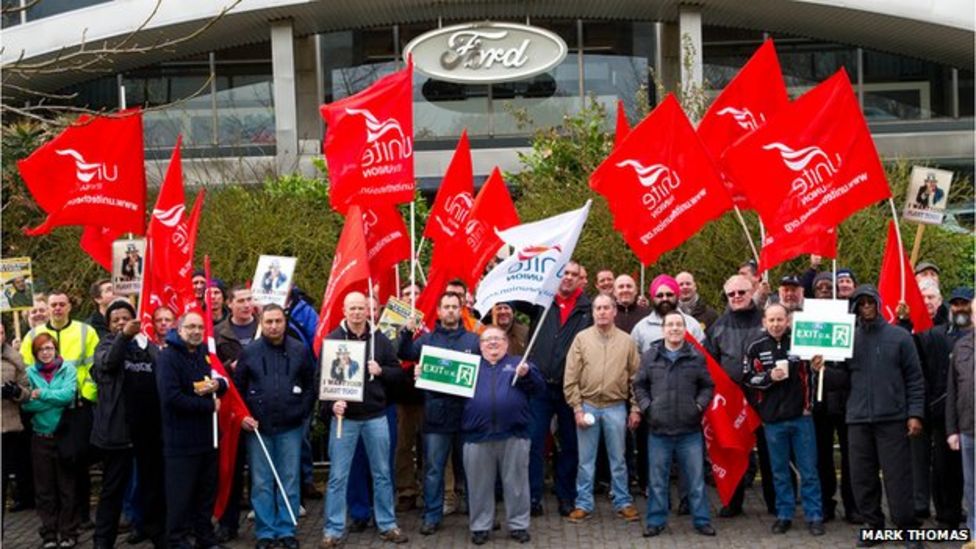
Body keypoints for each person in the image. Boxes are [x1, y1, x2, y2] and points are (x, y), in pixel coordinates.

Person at [320, 292, 409, 547]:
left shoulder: (379, 340)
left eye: (361, 308)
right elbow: (321, 381)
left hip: (376, 417)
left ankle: (388, 524)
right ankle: (333, 529)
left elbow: (398, 375)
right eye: (353, 308)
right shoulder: (333, 340)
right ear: (344, 311)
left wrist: (381, 371)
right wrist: (330, 404)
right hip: (344, 420)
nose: (357, 313)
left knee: (382, 473)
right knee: (338, 476)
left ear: (368, 311)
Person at [840, 285, 925, 548]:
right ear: (854, 308)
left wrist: (915, 414)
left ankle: (907, 528)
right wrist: (819, 367)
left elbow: (915, 379)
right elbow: (840, 380)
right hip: (858, 420)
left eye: (869, 302)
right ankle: (873, 525)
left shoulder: (899, 337)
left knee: (898, 477)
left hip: (893, 418)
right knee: (862, 477)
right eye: (860, 303)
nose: (866, 307)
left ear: (878, 304)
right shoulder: (848, 338)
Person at [398, 291, 480, 535]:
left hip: (466, 415)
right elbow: (404, 354)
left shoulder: (473, 341)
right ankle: (432, 516)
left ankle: (479, 516)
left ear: (461, 309)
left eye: (455, 306)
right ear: (439, 311)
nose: (451, 311)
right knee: (434, 469)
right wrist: (405, 331)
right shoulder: (426, 341)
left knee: (472, 468)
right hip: (435, 416)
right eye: (446, 306)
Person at [743, 303, 827, 536]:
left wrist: (816, 368)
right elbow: (748, 379)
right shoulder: (755, 347)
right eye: (771, 320)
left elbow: (814, 373)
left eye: (780, 319)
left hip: (802, 418)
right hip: (772, 421)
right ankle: (784, 515)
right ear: (764, 322)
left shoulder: (802, 341)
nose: (776, 324)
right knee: (779, 472)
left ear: (787, 321)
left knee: (809, 470)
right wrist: (769, 376)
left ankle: (814, 516)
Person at [235, 304, 315, 549]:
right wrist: (244, 416)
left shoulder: (300, 350)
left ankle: (286, 529)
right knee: (261, 482)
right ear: (261, 321)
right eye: (268, 321)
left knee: (289, 479)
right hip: (259, 429)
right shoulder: (249, 352)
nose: (273, 326)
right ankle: (265, 533)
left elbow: (311, 386)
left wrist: (301, 411)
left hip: (290, 427)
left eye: (278, 321)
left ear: (285, 321)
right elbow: (238, 388)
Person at [20, 290, 100, 530]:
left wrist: (86, 394)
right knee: (50, 474)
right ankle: (57, 523)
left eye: (61, 304)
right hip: (45, 412)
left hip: (79, 405)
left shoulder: (86, 331)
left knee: (79, 462)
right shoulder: (33, 335)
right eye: (53, 304)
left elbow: (96, 367)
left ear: (69, 307)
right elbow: (26, 376)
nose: (56, 308)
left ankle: (82, 516)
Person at [90, 300, 165, 549]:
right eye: (116, 320)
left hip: (148, 433)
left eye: (126, 318)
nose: (121, 322)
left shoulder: (146, 347)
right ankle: (103, 542)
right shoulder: (106, 345)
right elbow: (109, 363)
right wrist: (123, 337)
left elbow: (162, 373)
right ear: (110, 325)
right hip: (117, 433)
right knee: (113, 491)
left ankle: (157, 534)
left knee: (152, 489)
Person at [633, 311, 715, 538]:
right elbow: (639, 384)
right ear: (663, 329)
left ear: (684, 329)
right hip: (659, 430)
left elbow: (708, 386)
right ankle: (656, 521)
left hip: (689, 430)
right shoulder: (650, 356)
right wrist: (648, 407)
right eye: (670, 325)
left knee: (696, 481)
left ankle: (701, 521)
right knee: (657, 481)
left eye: (679, 325)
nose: (675, 329)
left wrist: (698, 406)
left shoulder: (696, 356)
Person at [562, 294, 640, 523]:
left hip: (616, 407)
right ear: (593, 312)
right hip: (588, 405)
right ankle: (584, 503)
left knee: (618, 459)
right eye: (598, 308)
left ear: (614, 311)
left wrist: (635, 408)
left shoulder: (627, 341)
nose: (602, 312)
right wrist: (576, 407)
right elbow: (571, 376)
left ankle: (623, 501)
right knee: (586, 460)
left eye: (607, 308)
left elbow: (636, 378)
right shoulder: (581, 339)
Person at [462, 325, 543, 545]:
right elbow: (441, 388)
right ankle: (480, 526)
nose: (493, 343)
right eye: (487, 340)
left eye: (498, 339)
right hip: (477, 437)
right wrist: (424, 374)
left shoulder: (518, 363)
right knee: (479, 485)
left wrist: (527, 375)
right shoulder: (469, 366)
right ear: (480, 346)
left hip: (514, 435)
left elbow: (539, 388)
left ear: (506, 343)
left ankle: (518, 525)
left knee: (516, 485)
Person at [156, 311, 228, 549]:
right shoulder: (168, 357)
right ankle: (176, 541)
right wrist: (207, 406)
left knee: (205, 495)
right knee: (180, 497)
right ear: (179, 329)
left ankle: (205, 538)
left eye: (200, 327)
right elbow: (171, 397)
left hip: (208, 440)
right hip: (181, 442)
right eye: (191, 327)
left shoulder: (204, 354)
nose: (196, 332)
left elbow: (220, 380)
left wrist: (220, 385)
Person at [527, 259, 592, 517]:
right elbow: (511, 300)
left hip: (571, 387)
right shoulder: (540, 302)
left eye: (573, 274)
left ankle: (566, 496)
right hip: (540, 386)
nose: (568, 277)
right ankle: (533, 496)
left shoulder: (588, 308)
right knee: (534, 443)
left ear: (580, 279)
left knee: (571, 445)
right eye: (564, 273)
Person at [705, 274, 766, 517]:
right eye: (732, 294)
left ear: (752, 291)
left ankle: (776, 502)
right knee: (734, 451)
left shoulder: (766, 319)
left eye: (742, 292)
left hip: (764, 395)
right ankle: (733, 501)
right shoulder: (718, 326)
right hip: (732, 399)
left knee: (769, 451)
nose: (737, 297)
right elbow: (710, 364)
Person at [911, 287, 971, 529]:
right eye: (956, 304)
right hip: (943, 414)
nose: (960, 309)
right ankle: (947, 517)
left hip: (970, 413)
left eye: (965, 304)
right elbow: (914, 351)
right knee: (945, 470)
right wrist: (906, 320)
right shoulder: (935, 335)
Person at [21, 333, 79, 548]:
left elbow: (68, 396)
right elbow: (27, 405)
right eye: (41, 350)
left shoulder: (68, 369)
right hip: (40, 437)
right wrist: (53, 398)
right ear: (35, 353)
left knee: (67, 487)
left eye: (49, 348)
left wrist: (42, 395)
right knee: (44, 490)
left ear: (55, 349)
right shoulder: (28, 373)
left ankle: (68, 532)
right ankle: (49, 533)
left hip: (64, 436)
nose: (46, 353)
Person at [214, 284, 257, 542]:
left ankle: (266, 521)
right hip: (231, 410)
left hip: (260, 407)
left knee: (260, 471)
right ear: (229, 303)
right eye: (240, 300)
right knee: (230, 467)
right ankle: (228, 524)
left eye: (249, 299)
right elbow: (213, 369)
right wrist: (233, 366)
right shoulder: (218, 334)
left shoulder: (267, 326)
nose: (246, 304)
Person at [945, 289, 975, 542]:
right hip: (967, 430)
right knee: (971, 488)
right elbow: (953, 391)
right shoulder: (961, 346)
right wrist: (952, 430)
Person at [631, 274, 704, 354]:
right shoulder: (640, 329)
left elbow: (702, 360)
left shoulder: (692, 325)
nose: (664, 299)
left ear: (677, 296)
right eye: (660, 295)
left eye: (669, 295)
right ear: (653, 298)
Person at [1, 323, 30, 518]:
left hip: (8, 428)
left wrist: (16, 392)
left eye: (1, 332)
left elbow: (28, 391)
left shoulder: (15, 359)